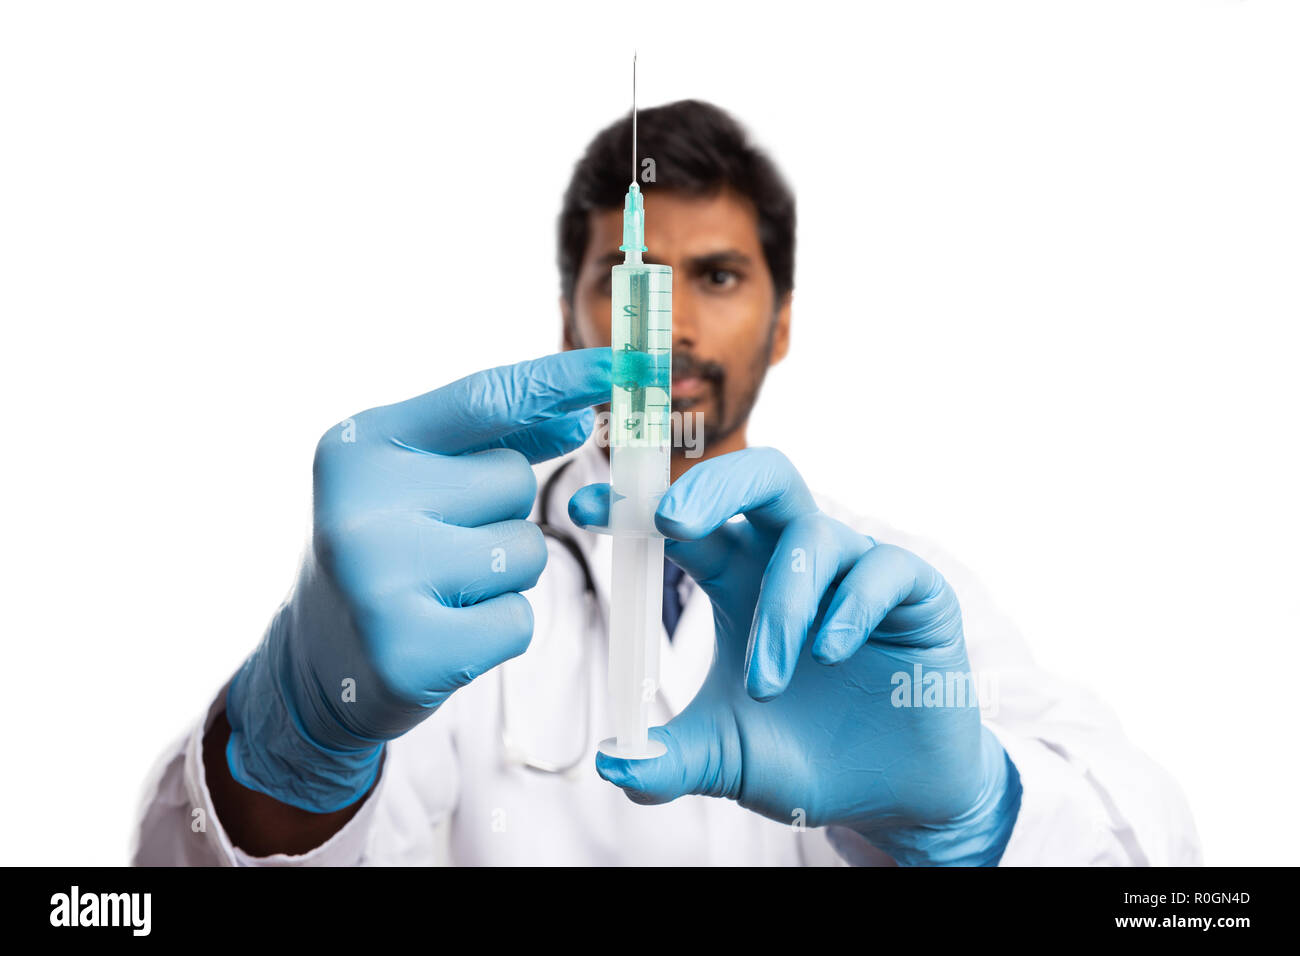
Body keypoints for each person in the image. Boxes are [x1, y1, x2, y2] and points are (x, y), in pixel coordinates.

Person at [132, 100, 1200, 866]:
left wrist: (974, 813)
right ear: (574, 319)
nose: (675, 320)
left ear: (783, 323)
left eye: (722, 276)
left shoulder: (885, 599)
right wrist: (291, 744)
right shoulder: (448, 579)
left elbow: (1165, 871)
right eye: (632, 276)